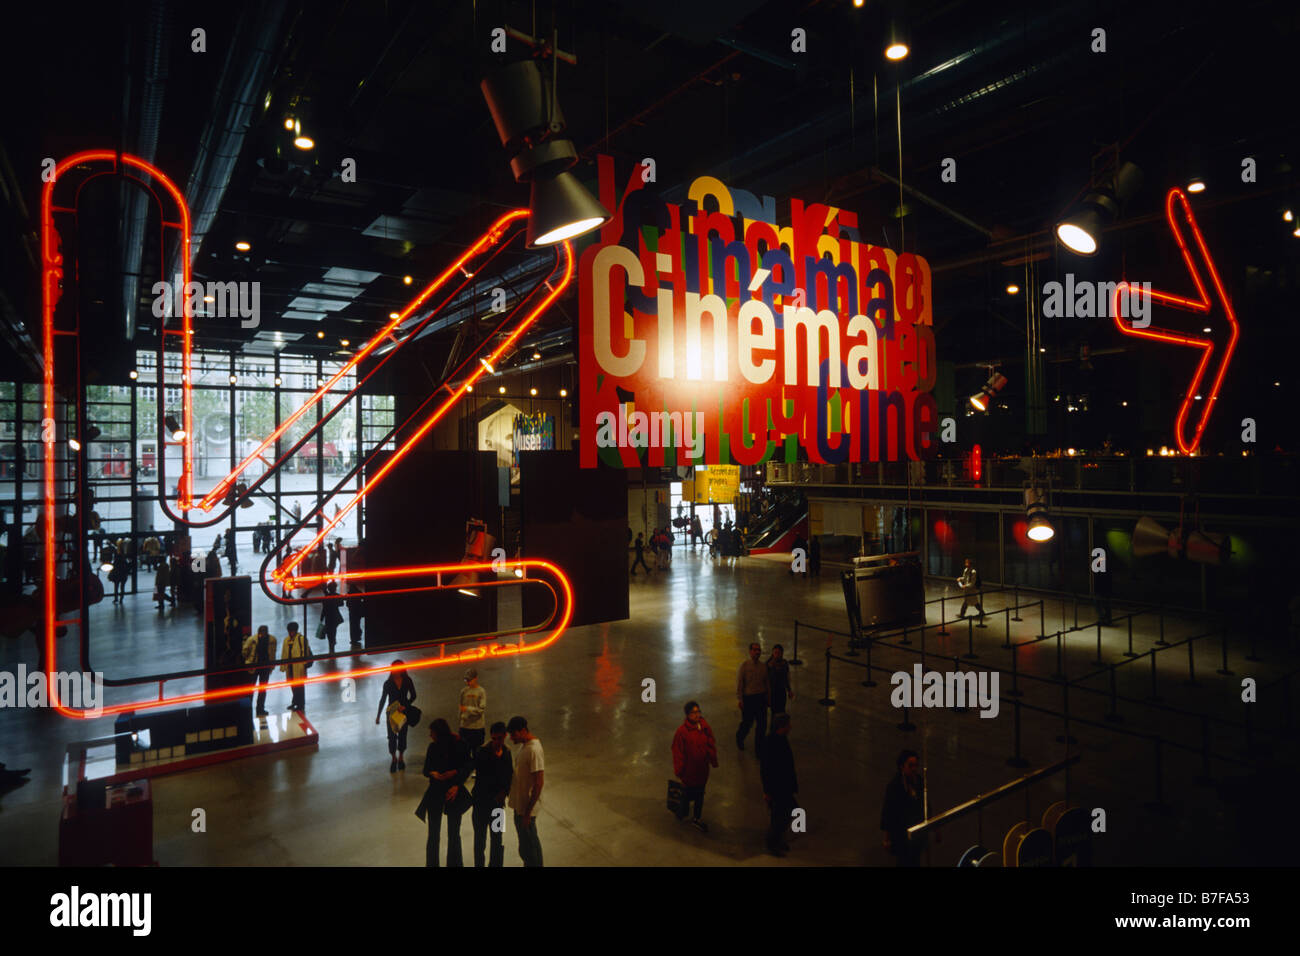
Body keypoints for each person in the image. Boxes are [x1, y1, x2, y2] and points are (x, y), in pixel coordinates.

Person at [416, 718, 471, 867]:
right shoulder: (433, 747)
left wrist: (455, 778)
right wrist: (434, 774)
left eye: (432, 733)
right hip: (437, 792)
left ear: (439, 733)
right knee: (435, 834)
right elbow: (426, 770)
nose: (430, 735)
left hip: (451, 792)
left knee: (452, 834)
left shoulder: (459, 745)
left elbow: (467, 766)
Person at [471, 721, 513, 867]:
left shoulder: (507, 753)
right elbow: (484, 777)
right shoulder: (482, 752)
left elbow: (509, 776)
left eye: (499, 738)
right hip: (481, 806)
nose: (496, 742)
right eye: (494, 738)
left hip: (497, 807)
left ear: (505, 736)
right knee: (479, 841)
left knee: (497, 840)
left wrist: (504, 792)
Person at [671, 701, 718, 831]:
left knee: (700, 795)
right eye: (693, 712)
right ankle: (681, 812)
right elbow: (678, 753)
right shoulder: (682, 732)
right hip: (689, 772)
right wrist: (679, 772)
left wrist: (713, 759)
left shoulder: (704, 726)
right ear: (687, 715)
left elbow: (710, 743)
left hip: (702, 771)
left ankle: (697, 818)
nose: (697, 715)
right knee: (687, 795)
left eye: (698, 711)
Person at [506, 715, 544, 867]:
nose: (511, 738)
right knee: (527, 846)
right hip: (521, 807)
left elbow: (538, 783)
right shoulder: (525, 746)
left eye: (513, 734)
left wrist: (527, 813)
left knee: (529, 849)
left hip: (526, 810)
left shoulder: (534, 750)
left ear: (523, 731)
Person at [760, 713, 799, 856]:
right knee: (779, 817)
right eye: (788, 724)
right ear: (782, 727)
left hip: (785, 787)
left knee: (786, 813)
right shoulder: (771, 743)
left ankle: (776, 839)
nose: (790, 727)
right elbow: (765, 770)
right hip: (777, 789)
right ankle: (772, 843)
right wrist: (767, 791)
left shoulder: (781, 739)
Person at [881, 749, 926, 867]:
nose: (914, 769)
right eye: (910, 766)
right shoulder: (894, 786)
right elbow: (888, 812)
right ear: (902, 766)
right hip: (901, 834)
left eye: (916, 765)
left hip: (917, 833)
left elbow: (926, 804)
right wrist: (887, 838)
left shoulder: (920, 782)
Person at [375, 661, 417, 771]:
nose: (395, 671)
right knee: (391, 737)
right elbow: (383, 699)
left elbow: (413, 695)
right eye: (393, 669)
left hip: (403, 712)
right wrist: (378, 715)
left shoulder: (408, 681)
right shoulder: (388, 683)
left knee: (403, 736)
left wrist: (405, 706)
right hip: (391, 714)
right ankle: (394, 758)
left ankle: (401, 757)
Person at [735, 642, 769, 753]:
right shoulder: (744, 666)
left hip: (760, 698)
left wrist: (768, 698)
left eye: (759, 650)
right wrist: (740, 699)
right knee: (747, 723)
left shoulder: (763, 667)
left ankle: (759, 748)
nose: (757, 652)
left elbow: (767, 684)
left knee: (762, 725)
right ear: (750, 652)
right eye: (754, 650)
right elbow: (740, 683)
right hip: (749, 699)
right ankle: (740, 737)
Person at [242, 624, 277, 717]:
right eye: (261, 633)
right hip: (255, 666)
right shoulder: (253, 640)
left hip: (264, 667)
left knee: (261, 689)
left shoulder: (271, 640)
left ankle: (259, 709)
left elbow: (273, 653)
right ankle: (253, 710)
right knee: (253, 690)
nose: (262, 635)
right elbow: (245, 651)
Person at [280, 621, 309, 712]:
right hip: (290, 666)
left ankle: (300, 704)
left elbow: (305, 651)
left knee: (299, 686)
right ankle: (295, 702)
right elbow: (284, 653)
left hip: (299, 666)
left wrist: (304, 664)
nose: (290, 633)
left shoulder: (301, 639)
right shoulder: (286, 640)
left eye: (292, 631)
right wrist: (283, 666)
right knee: (292, 684)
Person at [459, 668, 487, 758]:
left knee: (477, 754)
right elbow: (460, 707)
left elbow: (481, 710)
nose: (467, 682)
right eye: (466, 680)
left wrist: (467, 709)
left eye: (469, 680)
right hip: (465, 727)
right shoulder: (463, 691)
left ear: (475, 678)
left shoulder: (481, 692)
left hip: (477, 728)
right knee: (464, 754)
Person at [767, 644, 794, 716]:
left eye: (779, 653)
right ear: (772, 653)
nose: (777, 655)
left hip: (782, 692)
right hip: (773, 693)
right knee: (774, 713)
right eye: (775, 653)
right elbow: (766, 681)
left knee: (782, 711)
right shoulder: (768, 665)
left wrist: (789, 690)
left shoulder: (784, 663)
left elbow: (786, 678)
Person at [957, 558, 984, 623]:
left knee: (968, 601)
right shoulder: (966, 570)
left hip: (971, 589)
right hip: (967, 589)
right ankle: (981, 611)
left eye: (967, 562)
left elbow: (972, 583)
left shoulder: (973, 572)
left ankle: (962, 614)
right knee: (974, 602)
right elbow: (965, 578)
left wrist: (965, 585)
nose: (965, 564)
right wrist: (960, 579)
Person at [319, 583, 344, 652]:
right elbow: (341, 604)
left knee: (329, 631)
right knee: (333, 630)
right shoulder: (337, 596)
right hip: (335, 616)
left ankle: (331, 642)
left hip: (328, 616)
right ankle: (332, 641)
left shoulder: (326, 597)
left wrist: (321, 617)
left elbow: (324, 608)